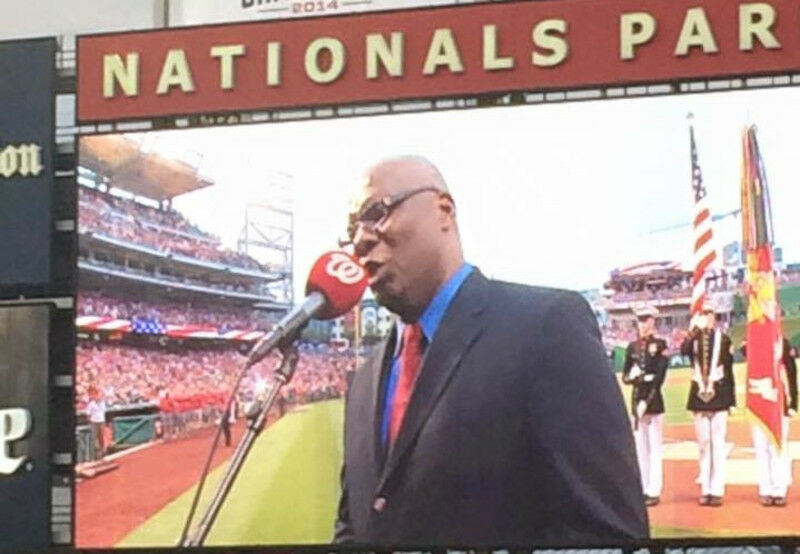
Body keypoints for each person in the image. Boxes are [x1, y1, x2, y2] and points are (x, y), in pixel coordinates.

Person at [334, 156, 648, 546]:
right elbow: (352, 527)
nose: (360, 239)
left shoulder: (546, 328)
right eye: (350, 230)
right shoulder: (363, 383)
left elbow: (608, 533)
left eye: (375, 213)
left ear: (443, 210)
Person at [681, 301, 736, 507]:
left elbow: (729, 372)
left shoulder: (723, 340)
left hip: (719, 393)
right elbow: (683, 350)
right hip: (699, 394)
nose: (708, 318)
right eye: (704, 314)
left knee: (718, 443)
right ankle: (705, 486)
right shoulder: (693, 339)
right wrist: (694, 330)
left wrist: (731, 400)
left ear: (715, 317)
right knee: (704, 444)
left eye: (710, 314)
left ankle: (717, 488)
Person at [622, 305, 668, 507]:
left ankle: (654, 489)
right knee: (641, 448)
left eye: (646, 320)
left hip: (653, 401)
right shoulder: (632, 347)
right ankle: (643, 487)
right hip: (636, 400)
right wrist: (632, 378)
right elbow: (625, 375)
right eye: (640, 320)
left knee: (655, 448)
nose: (642, 324)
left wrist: (645, 402)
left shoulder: (660, 345)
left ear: (652, 322)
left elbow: (659, 377)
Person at [743, 337, 798, 506]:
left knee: (778, 448)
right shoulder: (753, 341)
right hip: (758, 402)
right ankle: (765, 489)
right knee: (761, 449)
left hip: (778, 403)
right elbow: (745, 353)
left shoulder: (783, 343)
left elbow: (791, 372)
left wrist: (793, 402)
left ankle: (779, 490)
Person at [86, 385, 107, 461]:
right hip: (94, 423)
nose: (98, 397)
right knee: (94, 439)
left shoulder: (103, 403)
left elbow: (104, 412)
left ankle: (103, 453)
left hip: (101, 422)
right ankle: (96, 455)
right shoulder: (91, 404)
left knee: (102, 438)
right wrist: (91, 422)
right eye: (97, 395)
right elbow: (88, 414)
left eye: (99, 395)